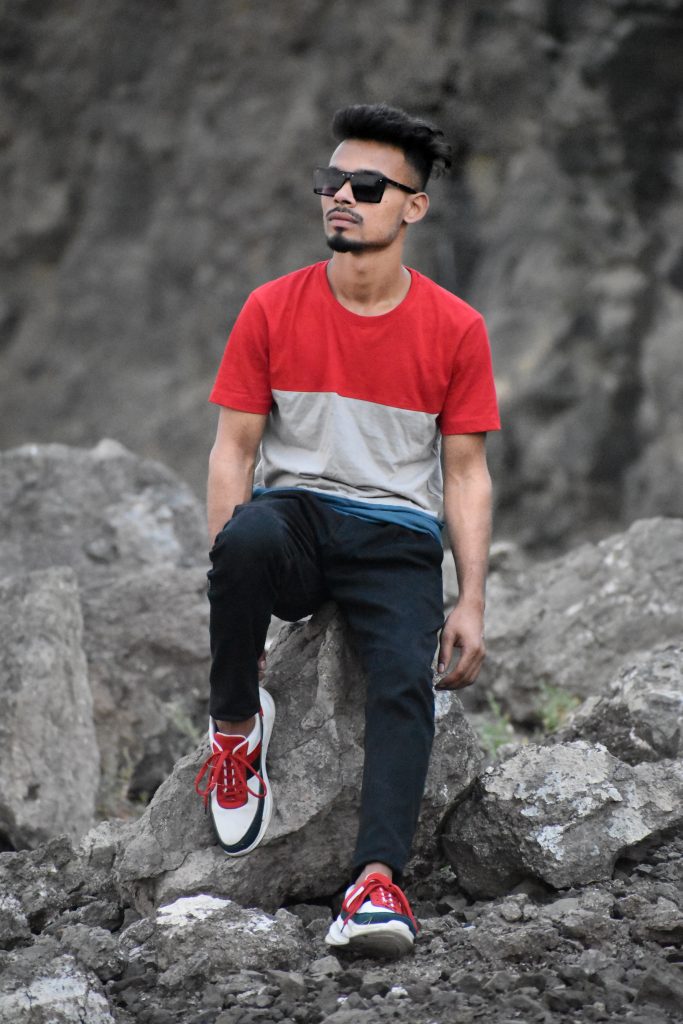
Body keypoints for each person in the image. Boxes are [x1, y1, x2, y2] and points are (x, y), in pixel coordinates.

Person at [194, 103, 500, 957]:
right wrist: (231, 583)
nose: (340, 197)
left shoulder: (455, 328)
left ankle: (375, 883)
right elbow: (233, 452)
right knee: (246, 536)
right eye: (330, 181)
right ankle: (233, 732)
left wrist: (470, 598)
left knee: (405, 678)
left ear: (412, 207)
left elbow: (467, 472)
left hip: (396, 534)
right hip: (295, 518)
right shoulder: (270, 308)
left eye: (365, 186)